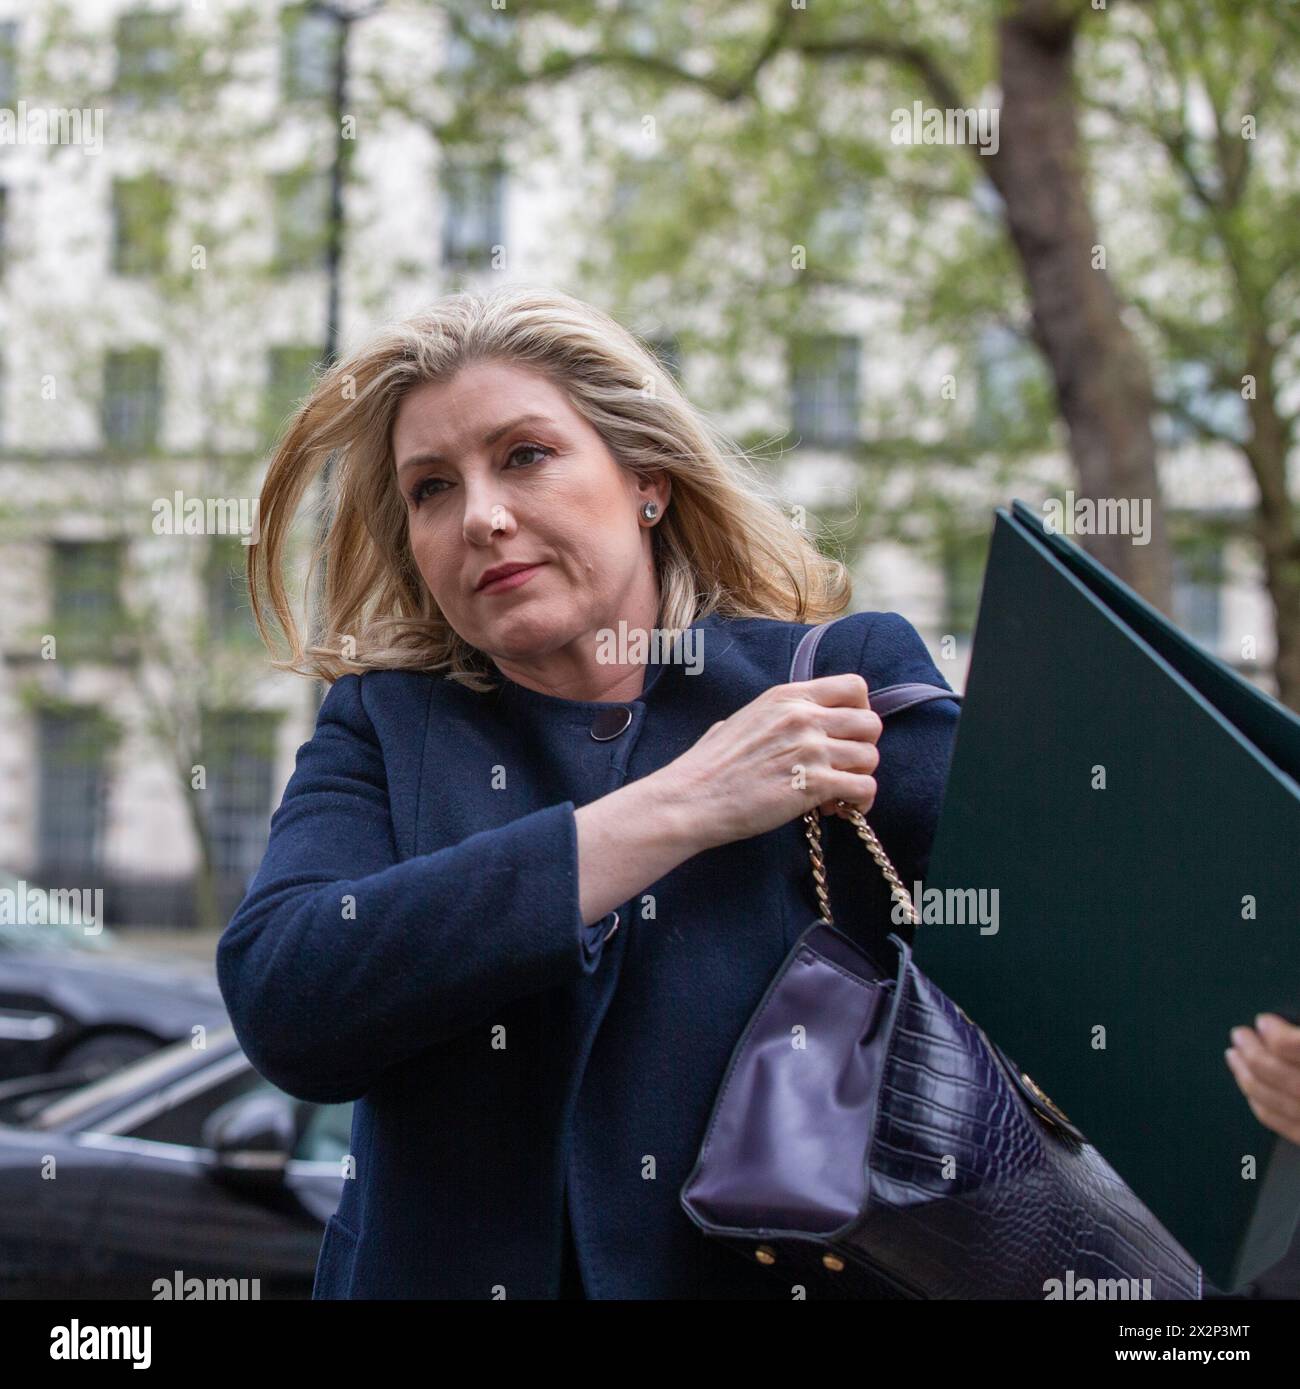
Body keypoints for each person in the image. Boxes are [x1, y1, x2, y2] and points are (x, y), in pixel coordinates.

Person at [216, 283, 1300, 1299]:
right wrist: (680, 807)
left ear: (647, 480)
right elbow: (288, 998)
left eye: (526, 456)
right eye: (432, 489)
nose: (481, 517)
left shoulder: (828, 687)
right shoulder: (384, 725)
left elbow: (1127, 951)